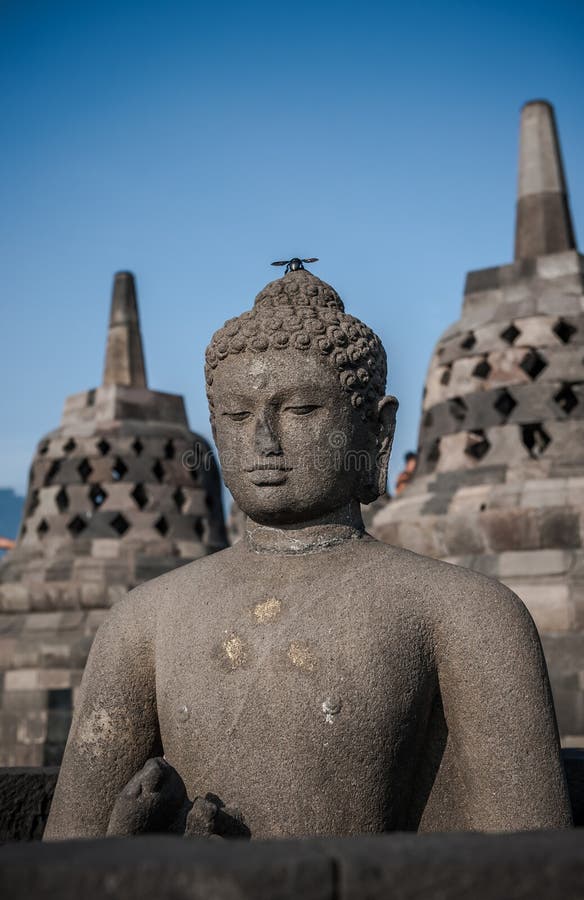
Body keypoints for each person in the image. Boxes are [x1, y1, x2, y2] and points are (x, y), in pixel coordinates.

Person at [45, 268, 572, 839]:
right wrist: (132, 851)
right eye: (239, 415)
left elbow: (529, 866)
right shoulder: (141, 622)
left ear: (377, 431)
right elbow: (64, 857)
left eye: (300, 411)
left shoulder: (467, 615)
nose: (264, 441)